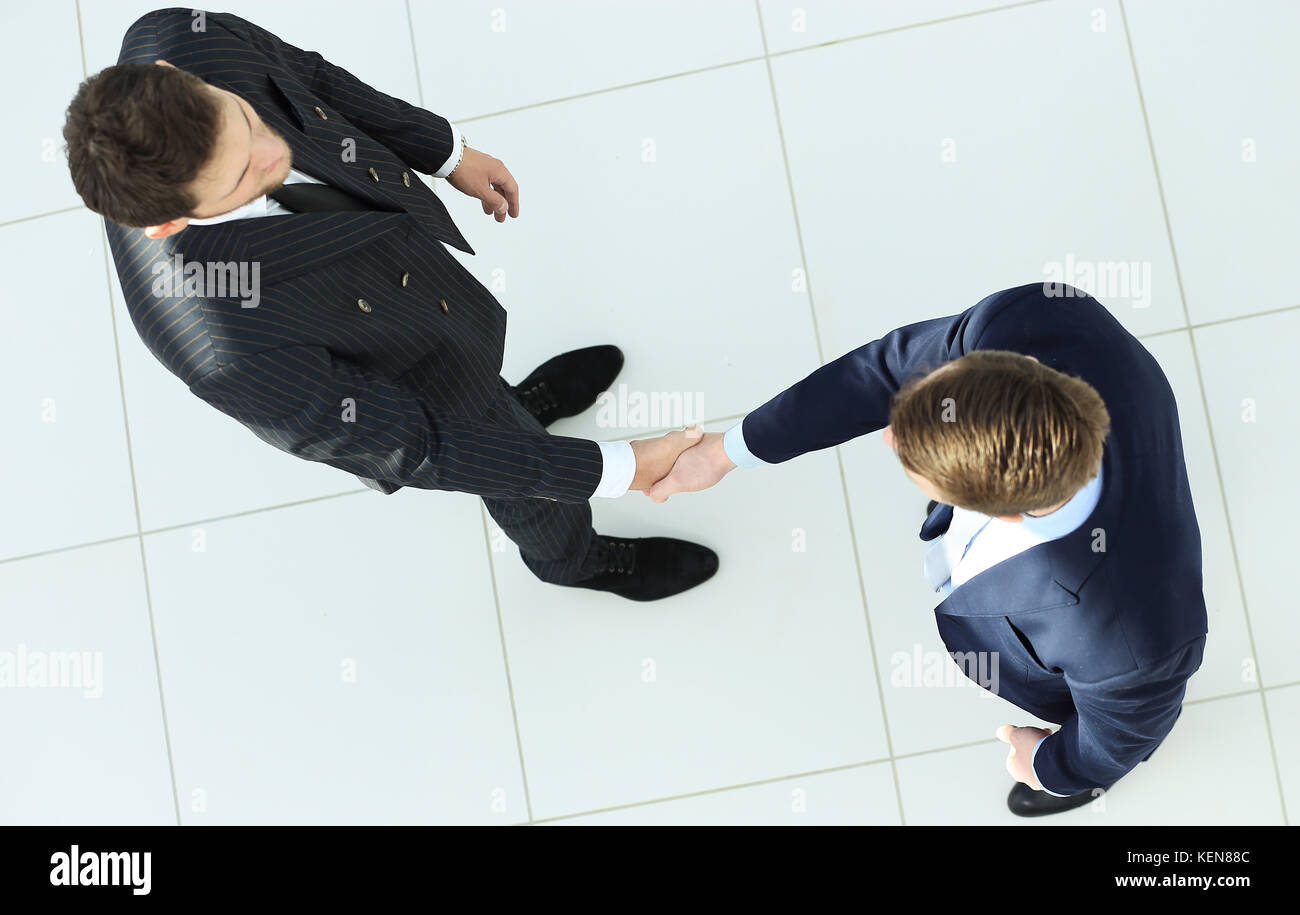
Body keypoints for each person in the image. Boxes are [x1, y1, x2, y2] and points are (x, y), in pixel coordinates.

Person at [63, 8, 716, 602]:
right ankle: (574, 558)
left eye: (245, 120)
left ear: (174, 73)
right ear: (167, 226)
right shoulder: (221, 347)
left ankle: (511, 401)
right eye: (241, 179)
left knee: (487, 384)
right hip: (410, 376)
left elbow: (311, 78)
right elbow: (422, 446)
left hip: (415, 280)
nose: (275, 155)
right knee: (499, 448)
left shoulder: (175, 35)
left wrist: (445, 152)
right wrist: (618, 468)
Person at [647, 283, 1209, 816]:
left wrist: (1047, 766)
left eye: (916, 466)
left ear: (1000, 511)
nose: (888, 433)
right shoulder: (1033, 320)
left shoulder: (1129, 639)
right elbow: (883, 371)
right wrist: (725, 453)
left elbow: (1121, 737)